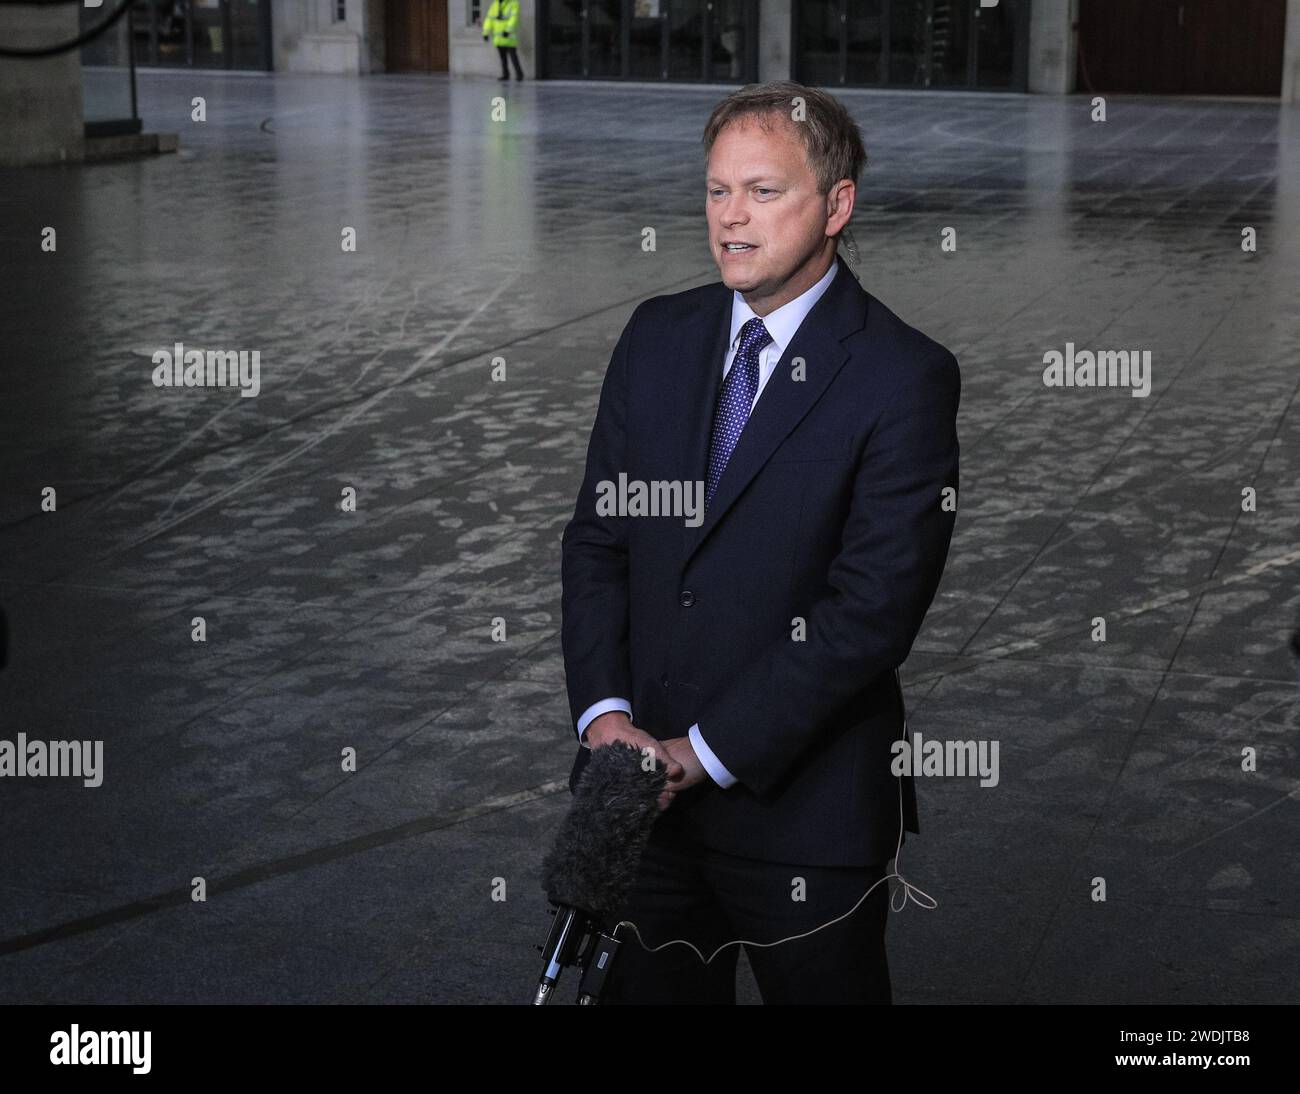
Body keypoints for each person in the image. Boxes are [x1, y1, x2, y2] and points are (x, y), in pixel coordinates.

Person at [560, 80, 960, 1004]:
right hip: (640, 805)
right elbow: (599, 541)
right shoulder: (655, 336)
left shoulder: (904, 378)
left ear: (837, 205)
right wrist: (607, 719)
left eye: (763, 192)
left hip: (805, 820)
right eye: (716, 191)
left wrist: (700, 753)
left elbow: (869, 614)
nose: (731, 219)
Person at [482, 0, 524, 81]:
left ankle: (519, 74)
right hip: (498, 37)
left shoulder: (513, 3)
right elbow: (489, 19)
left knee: (513, 56)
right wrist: (485, 32)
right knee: (502, 57)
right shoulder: (495, 4)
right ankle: (505, 74)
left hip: (509, 36)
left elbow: (514, 18)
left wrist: (508, 30)